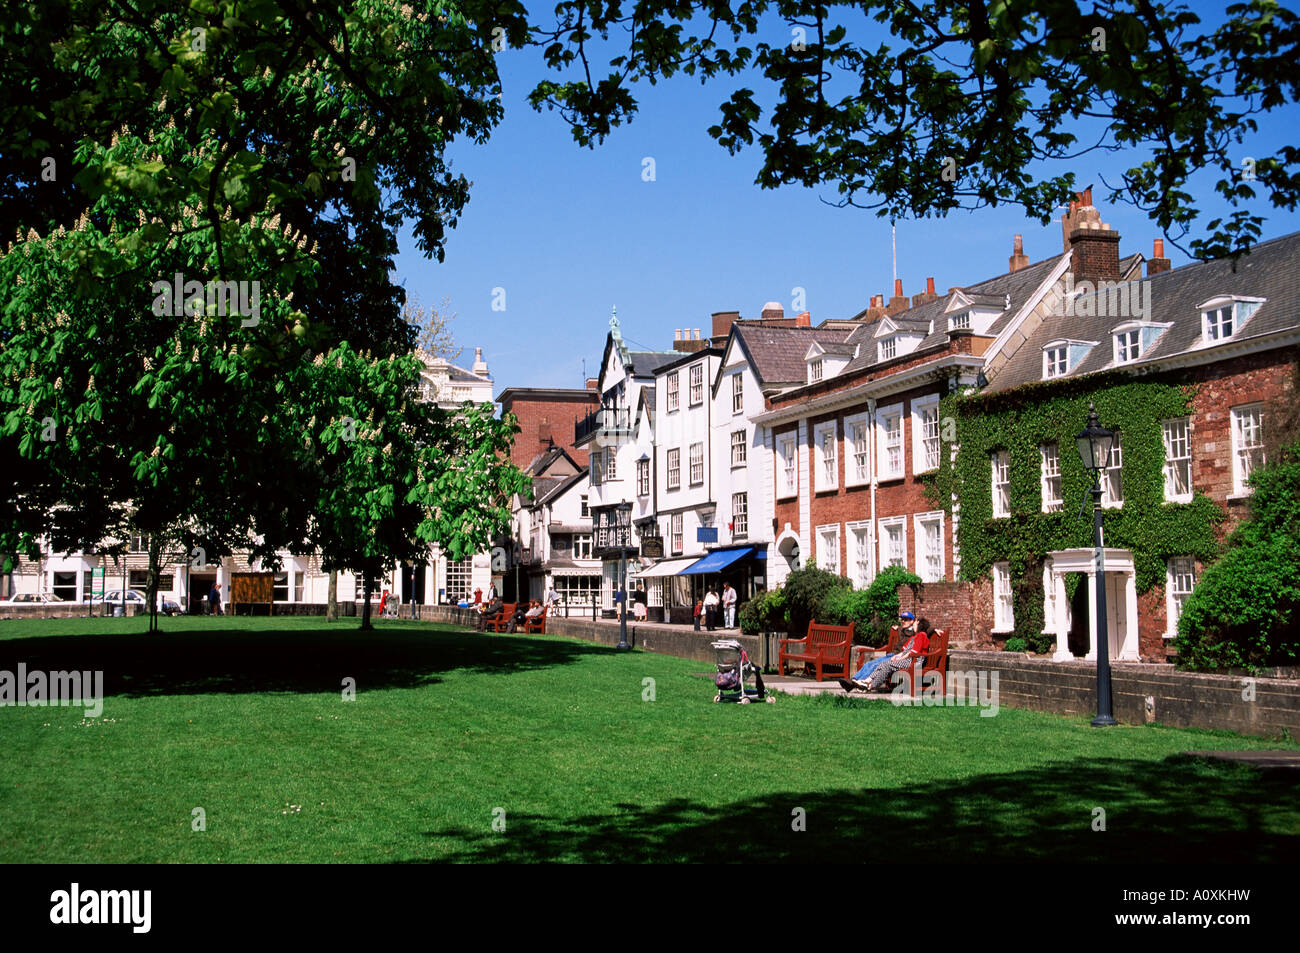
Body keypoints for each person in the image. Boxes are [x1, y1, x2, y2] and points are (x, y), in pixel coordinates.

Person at [839, 617, 932, 693]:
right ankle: (866, 682)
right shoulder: (913, 636)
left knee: (886, 665)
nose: (903, 621)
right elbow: (904, 651)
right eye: (902, 619)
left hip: (913, 661)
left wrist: (899, 658)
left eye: (914, 622)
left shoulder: (921, 635)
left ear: (919, 624)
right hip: (905, 659)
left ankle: (869, 685)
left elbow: (913, 653)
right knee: (880, 664)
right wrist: (897, 656)